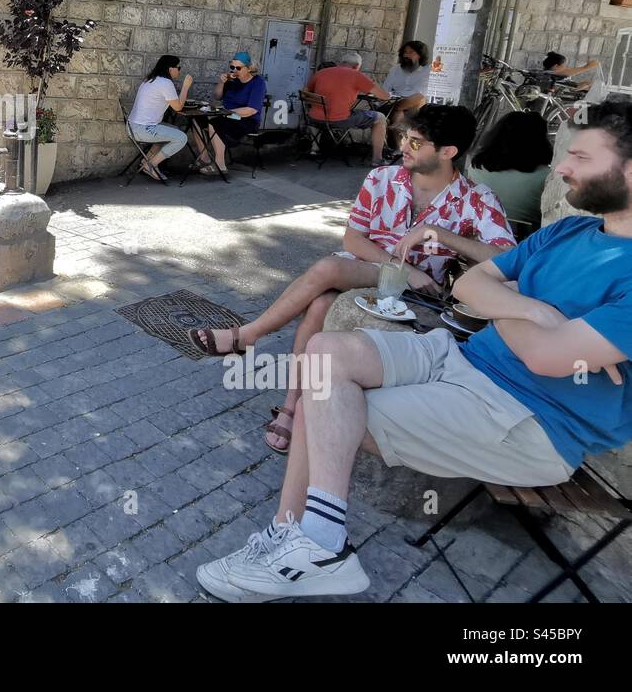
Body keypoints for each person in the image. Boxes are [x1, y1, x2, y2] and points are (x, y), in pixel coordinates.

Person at [197, 99, 632, 601]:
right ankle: (305, 537)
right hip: (462, 357)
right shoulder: (569, 230)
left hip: (530, 420)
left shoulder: (493, 207)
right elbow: (471, 286)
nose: (560, 167)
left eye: (580, 156)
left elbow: (543, 358)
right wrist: (538, 312)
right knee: (323, 352)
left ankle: (314, 544)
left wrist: (507, 303)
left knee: (327, 404)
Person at [187, 105, 516, 452]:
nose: (404, 145)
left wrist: (440, 234)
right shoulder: (382, 179)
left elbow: (508, 258)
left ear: (448, 152)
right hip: (370, 268)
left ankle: (252, 345)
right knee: (325, 290)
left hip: (415, 293)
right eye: (405, 137)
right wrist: (403, 268)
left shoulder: (475, 200)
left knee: (325, 284)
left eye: (416, 142)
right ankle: (291, 405)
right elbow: (352, 239)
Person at [467, 111, 553, 235]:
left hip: (479, 238)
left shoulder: (476, 168)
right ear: (540, 141)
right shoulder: (547, 177)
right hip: (526, 245)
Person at [302, 51, 390, 166]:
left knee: (322, 111)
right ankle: (377, 160)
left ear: (341, 63)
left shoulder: (321, 72)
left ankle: (315, 148)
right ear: (357, 66)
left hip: (313, 119)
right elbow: (383, 96)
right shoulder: (356, 75)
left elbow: (304, 93)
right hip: (339, 121)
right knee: (380, 118)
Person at [126, 55, 195, 183]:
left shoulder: (150, 80)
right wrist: (186, 86)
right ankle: (150, 165)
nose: (179, 71)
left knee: (173, 130)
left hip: (133, 126)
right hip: (143, 129)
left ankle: (146, 160)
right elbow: (178, 107)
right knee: (181, 138)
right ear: (170, 69)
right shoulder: (165, 83)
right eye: (178, 68)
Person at [199, 50, 268, 176]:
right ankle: (204, 158)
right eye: (232, 67)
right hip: (226, 115)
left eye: (238, 68)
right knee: (196, 120)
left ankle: (220, 165)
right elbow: (217, 96)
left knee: (215, 122)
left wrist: (225, 112)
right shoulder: (232, 80)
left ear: (248, 68)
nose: (234, 70)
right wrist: (221, 82)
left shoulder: (258, 83)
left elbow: (251, 110)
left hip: (246, 120)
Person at [381, 39, 430, 133]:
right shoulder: (396, 69)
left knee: (419, 99)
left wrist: (398, 106)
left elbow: (420, 95)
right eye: (405, 52)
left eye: (411, 53)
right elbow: (385, 90)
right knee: (397, 115)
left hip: (415, 106)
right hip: (395, 103)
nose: (406, 55)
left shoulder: (427, 71)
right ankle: (396, 139)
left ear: (420, 55)